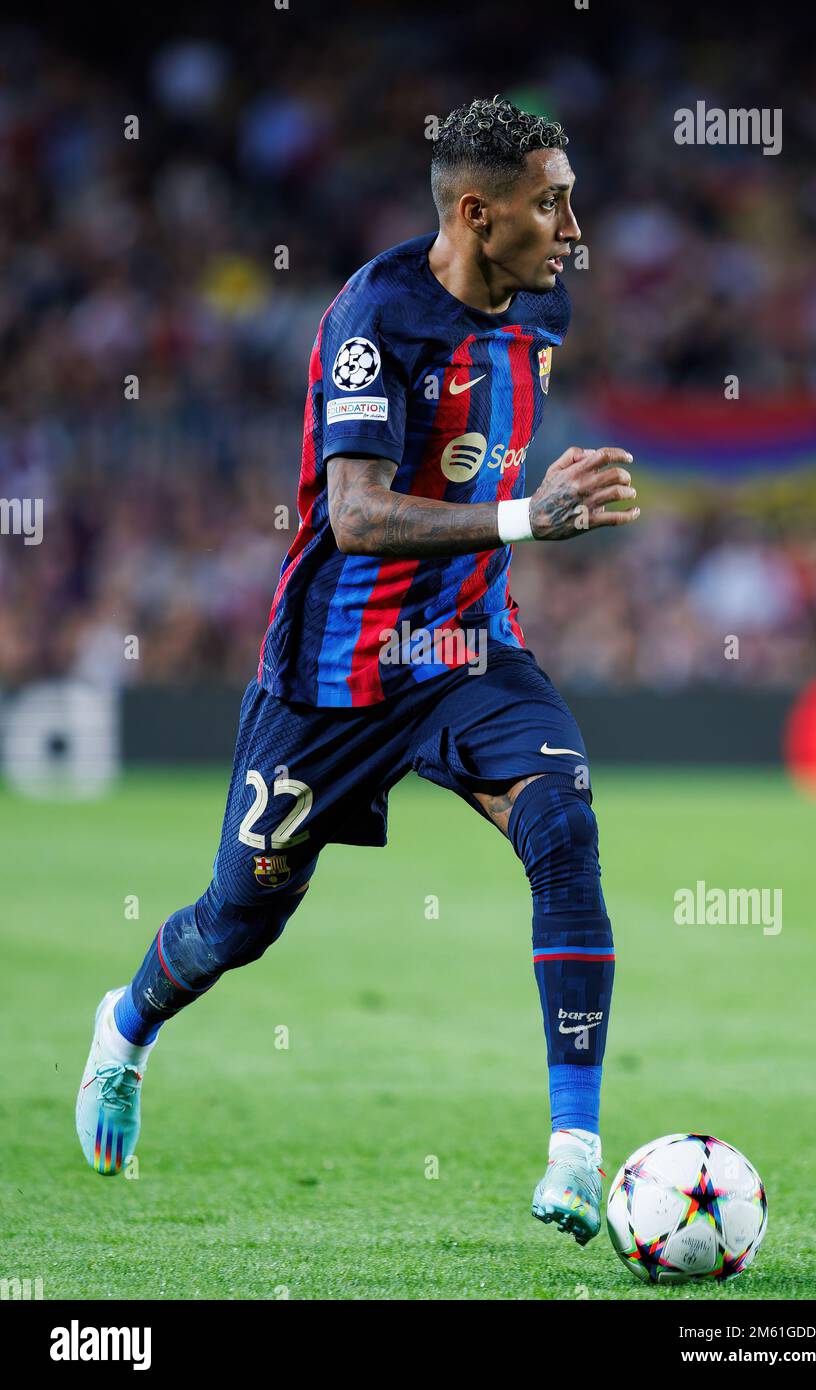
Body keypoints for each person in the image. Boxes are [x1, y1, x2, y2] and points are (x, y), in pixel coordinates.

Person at [76, 95, 639, 1247]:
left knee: (563, 825)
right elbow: (358, 516)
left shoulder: (544, 305)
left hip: (466, 650)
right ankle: (125, 1025)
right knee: (239, 919)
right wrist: (530, 517)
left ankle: (575, 1154)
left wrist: (511, 537)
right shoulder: (374, 317)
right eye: (550, 202)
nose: (573, 225)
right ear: (478, 214)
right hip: (336, 673)